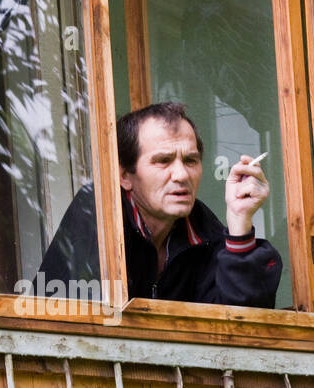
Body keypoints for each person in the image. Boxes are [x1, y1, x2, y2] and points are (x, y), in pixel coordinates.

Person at [37, 101, 282, 308]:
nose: (181, 175)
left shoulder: (204, 230)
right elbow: (81, 319)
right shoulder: (99, 212)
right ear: (124, 175)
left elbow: (241, 327)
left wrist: (239, 221)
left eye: (190, 160)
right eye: (163, 161)